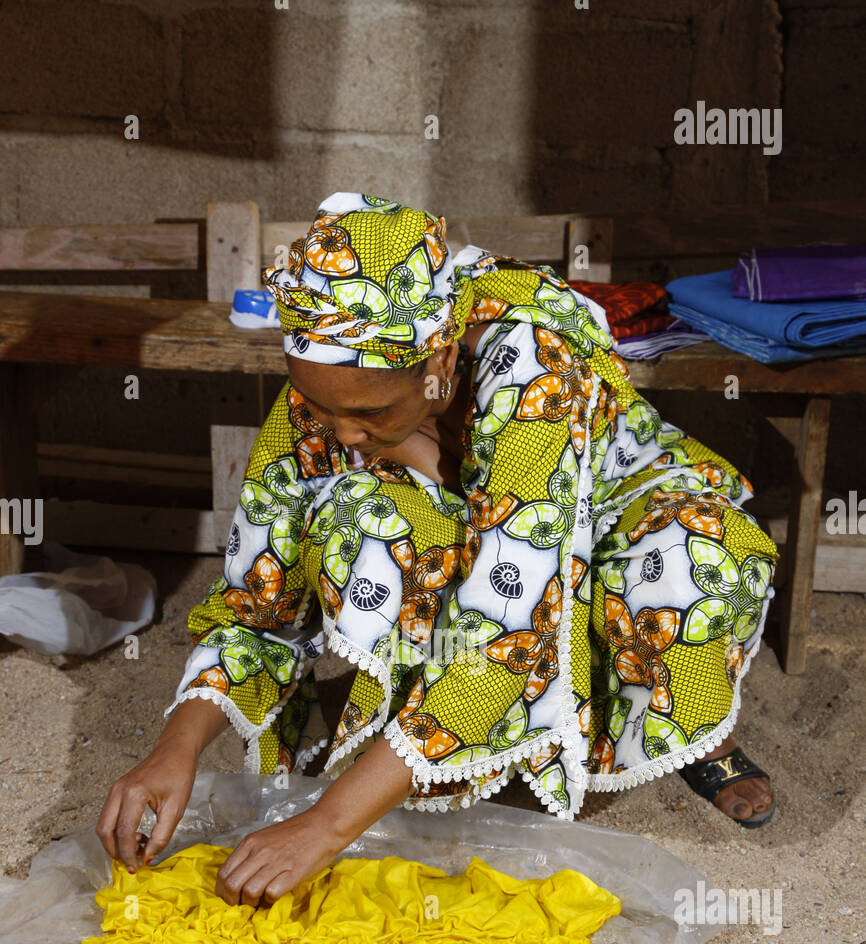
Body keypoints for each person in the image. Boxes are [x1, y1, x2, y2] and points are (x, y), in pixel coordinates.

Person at [98, 192, 778, 907]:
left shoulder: (534, 364)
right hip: (490, 526)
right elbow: (253, 602)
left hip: (616, 510)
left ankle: (698, 737)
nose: (341, 435)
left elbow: (508, 634)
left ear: (441, 359)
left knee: (693, 562)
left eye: (368, 415)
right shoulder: (331, 382)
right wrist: (173, 750)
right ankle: (428, 752)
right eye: (321, 409)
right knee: (368, 520)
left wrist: (327, 826)